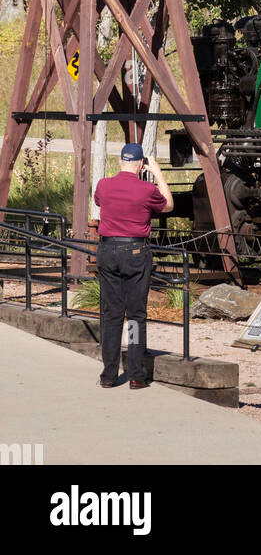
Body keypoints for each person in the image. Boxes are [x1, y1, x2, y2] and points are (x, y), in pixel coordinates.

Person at [93, 143, 174, 390]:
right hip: (136, 251)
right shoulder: (147, 189)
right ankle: (136, 374)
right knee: (136, 315)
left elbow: (98, 202)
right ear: (141, 165)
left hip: (107, 251)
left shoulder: (104, 185)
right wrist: (158, 172)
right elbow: (169, 205)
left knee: (111, 313)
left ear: (120, 161)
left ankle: (108, 374)